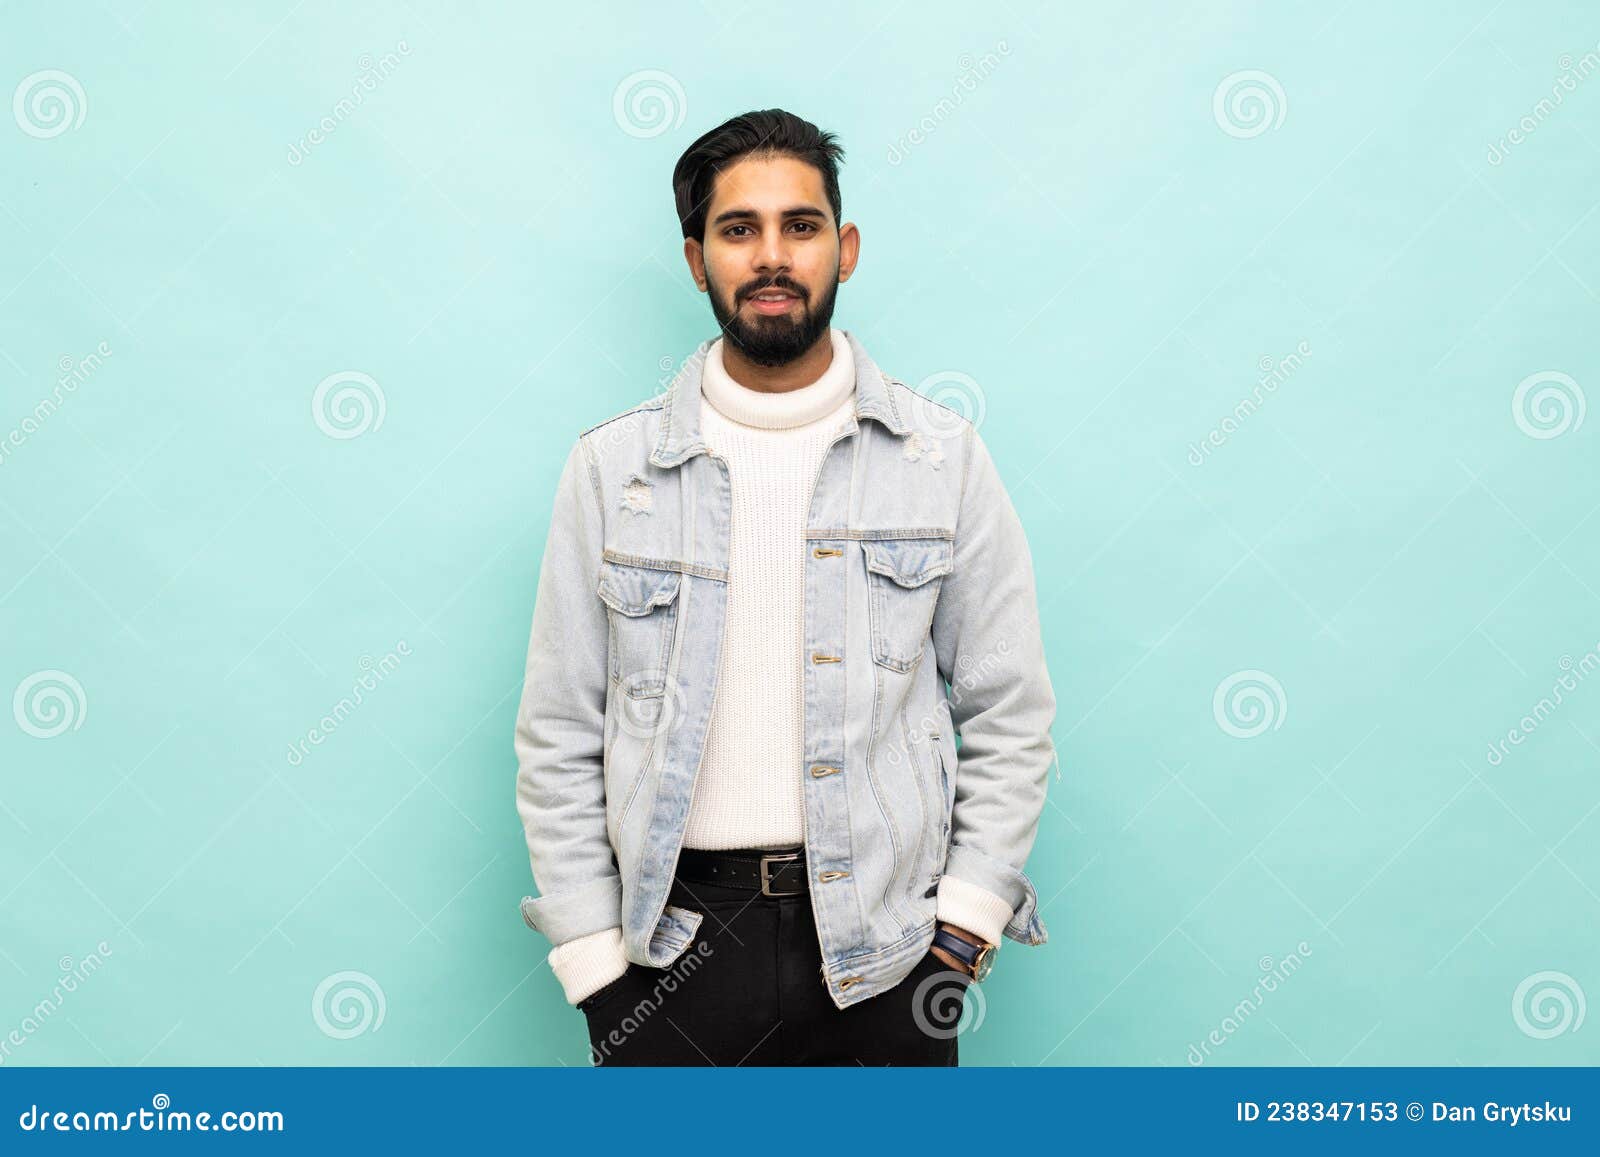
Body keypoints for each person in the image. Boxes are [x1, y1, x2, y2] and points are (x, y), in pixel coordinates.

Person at [513, 108, 1057, 1065]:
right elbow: (559, 729)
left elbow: (1009, 712)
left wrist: (962, 936)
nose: (772, 255)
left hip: (888, 954)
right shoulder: (611, 469)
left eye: (800, 226)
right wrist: (594, 966)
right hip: (669, 953)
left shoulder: (942, 460)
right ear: (697, 261)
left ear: (845, 249)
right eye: (739, 229)